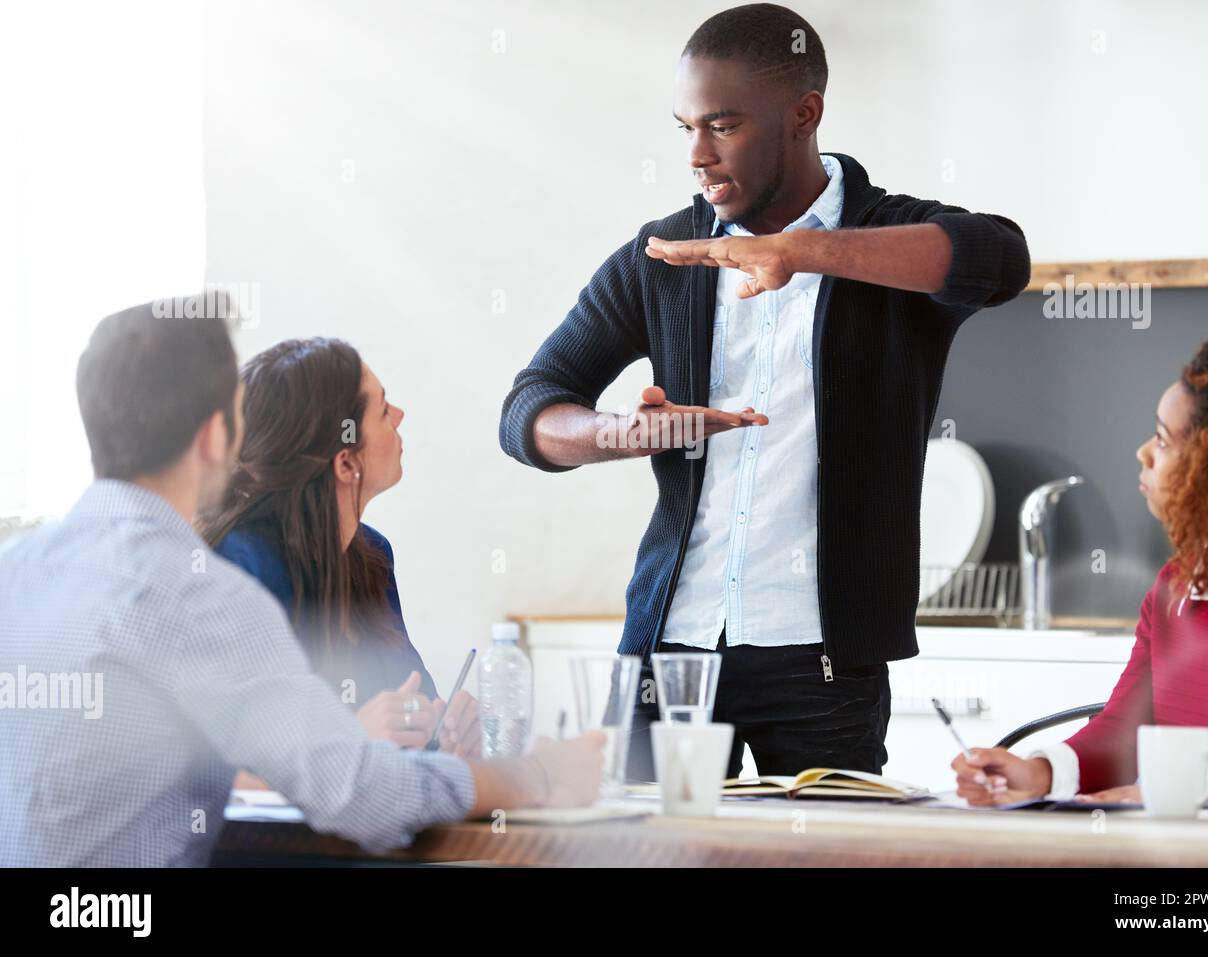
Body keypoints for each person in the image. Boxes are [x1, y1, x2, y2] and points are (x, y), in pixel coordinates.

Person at [499, 3, 1030, 778]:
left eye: (723, 125)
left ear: (803, 115)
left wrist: (803, 253)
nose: (697, 154)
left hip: (823, 661)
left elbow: (1001, 258)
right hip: (669, 650)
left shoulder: (888, 240)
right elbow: (527, 413)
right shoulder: (665, 258)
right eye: (685, 128)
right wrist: (623, 433)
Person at [0, 299, 602, 866]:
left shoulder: (16, 571)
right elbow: (357, 791)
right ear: (215, 437)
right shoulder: (198, 593)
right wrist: (539, 777)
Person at [953, 328, 1208, 807]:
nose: (1143, 452)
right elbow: (1125, 731)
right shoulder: (1173, 589)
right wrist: (1040, 772)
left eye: (1162, 439)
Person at [202, 338, 478, 758]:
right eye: (384, 411)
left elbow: (413, 714)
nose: (401, 416)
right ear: (346, 463)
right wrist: (350, 739)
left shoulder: (371, 555)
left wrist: (446, 736)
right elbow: (220, 761)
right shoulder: (243, 563)